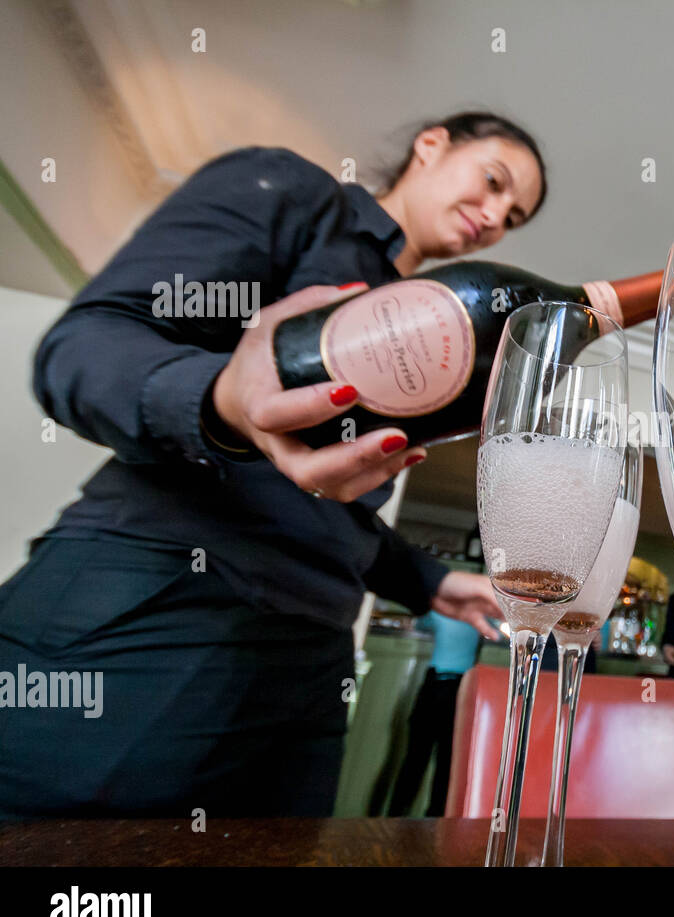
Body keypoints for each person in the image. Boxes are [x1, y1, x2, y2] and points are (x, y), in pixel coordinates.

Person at [0, 112, 546, 818]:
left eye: (515, 216)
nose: (496, 215)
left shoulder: (425, 332)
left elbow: (327, 502)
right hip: (156, 602)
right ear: (432, 143)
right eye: (494, 182)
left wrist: (434, 582)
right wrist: (223, 400)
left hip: (309, 663)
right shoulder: (287, 190)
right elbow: (78, 349)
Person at [387, 609, 482, 817]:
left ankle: (396, 815)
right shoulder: (480, 617)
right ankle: (436, 821)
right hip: (461, 690)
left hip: (435, 685)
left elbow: (417, 624)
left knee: (415, 757)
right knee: (447, 762)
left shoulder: (440, 613)